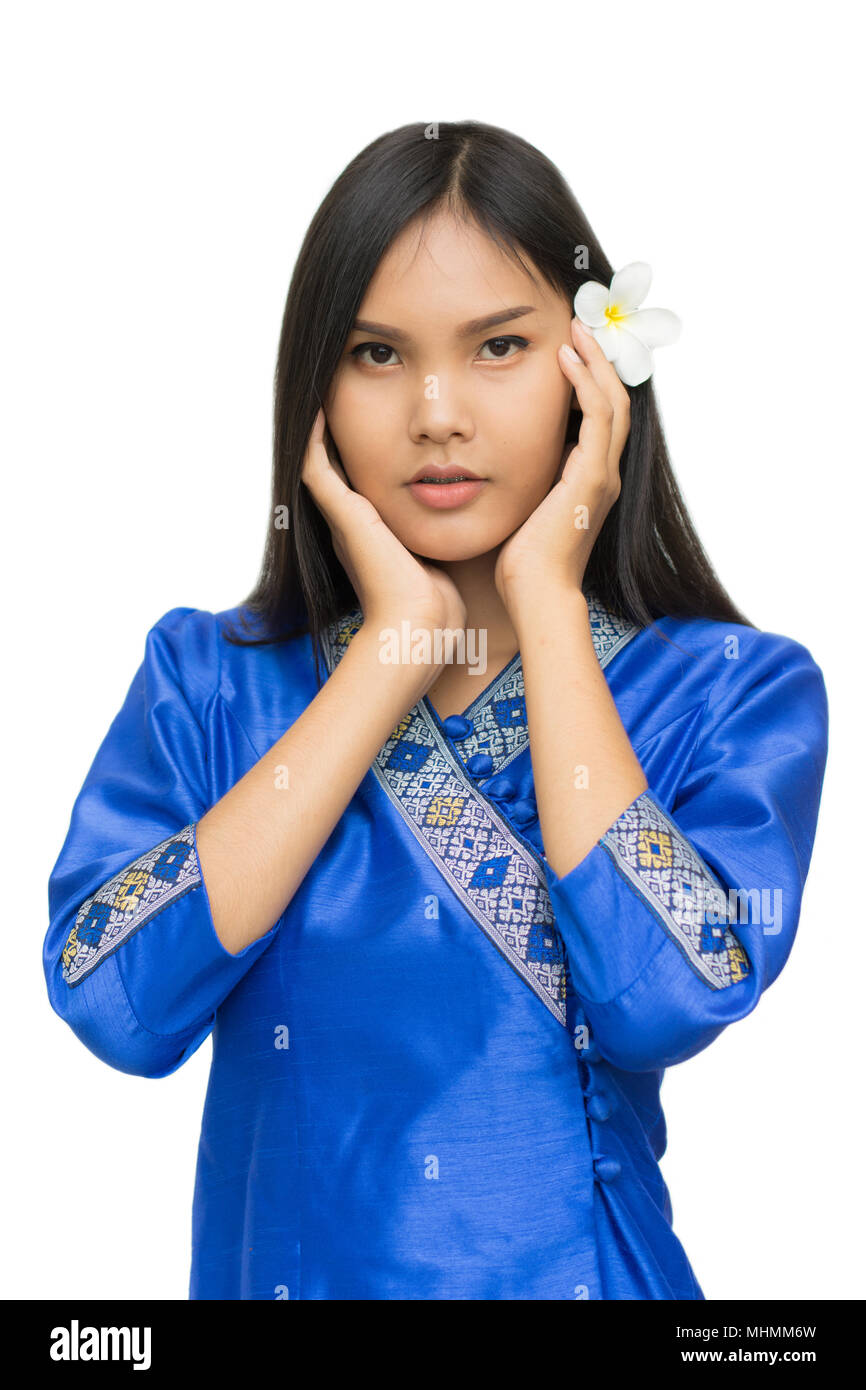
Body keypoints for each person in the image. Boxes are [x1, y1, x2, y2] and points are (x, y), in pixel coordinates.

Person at [43, 120, 829, 1300]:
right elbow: (115, 1002)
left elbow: (669, 996)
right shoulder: (208, 680)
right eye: (375, 353)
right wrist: (390, 651)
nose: (436, 412)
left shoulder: (726, 691)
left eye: (498, 346)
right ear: (312, 387)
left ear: (592, 370)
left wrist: (547, 597)